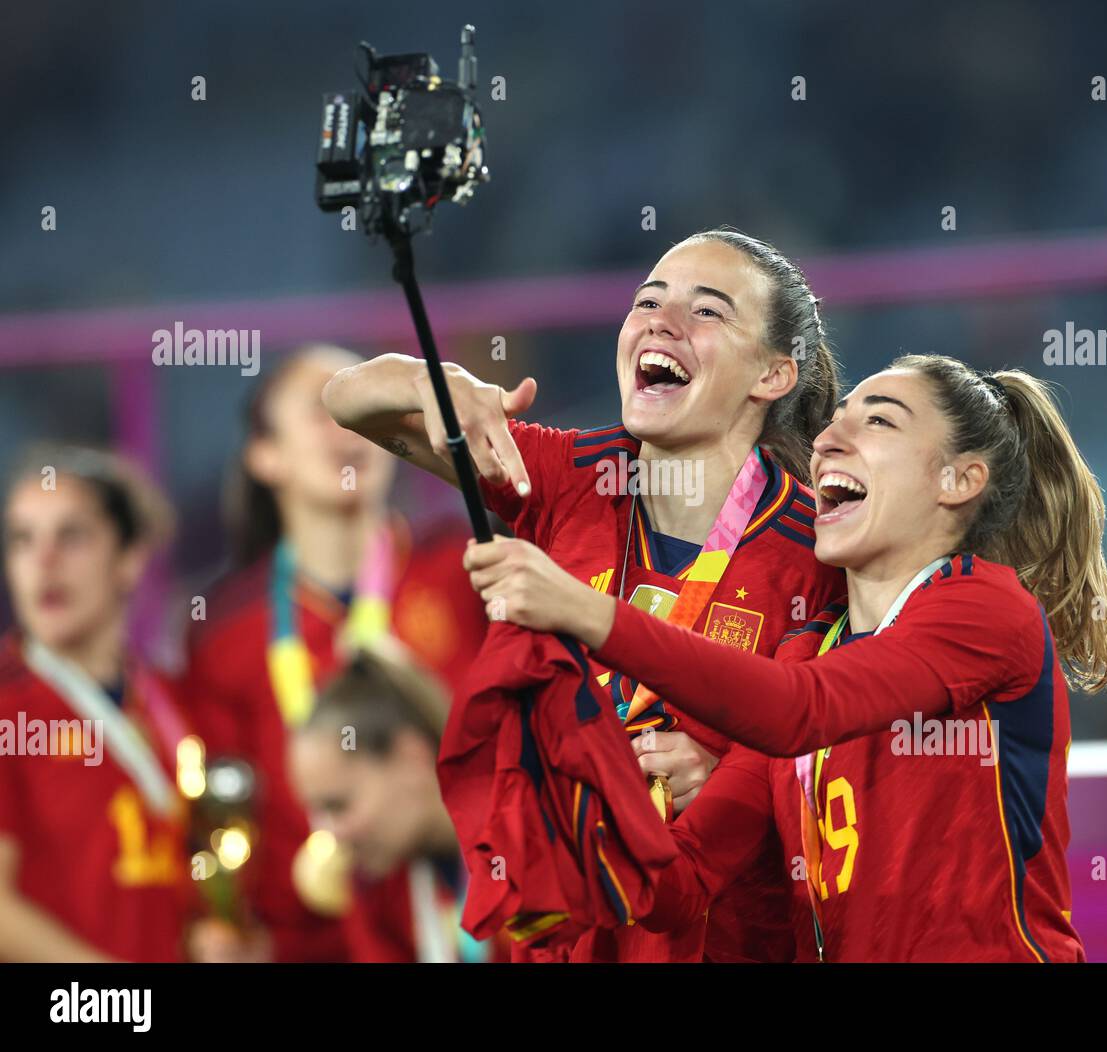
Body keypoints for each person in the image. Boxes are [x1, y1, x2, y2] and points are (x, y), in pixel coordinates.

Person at [464, 354, 1107, 962]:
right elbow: (684, 882)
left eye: (879, 421)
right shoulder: (807, 647)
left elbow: (797, 711)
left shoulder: (985, 608)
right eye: (834, 421)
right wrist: (574, 841)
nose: (827, 441)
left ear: (959, 479)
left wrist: (582, 609)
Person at [323, 228, 845, 962]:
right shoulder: (569, 478)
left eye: (708, 312)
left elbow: (845, 753)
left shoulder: (817, 550)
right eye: (648, 301)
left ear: (773, 376)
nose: (661, 322)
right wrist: (428, 381)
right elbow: (349, 402)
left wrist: (738, 778)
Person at [181, 344, 487, 962]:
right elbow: (220, 820)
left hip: (485, 924)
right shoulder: (224, 636)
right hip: (316, 947)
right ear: (264, 455)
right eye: (323, 412)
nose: (348, 430)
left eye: (365, 413)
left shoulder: (467, 567)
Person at [0, 445, 193, 961]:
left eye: (72, 535)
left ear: (129, 559)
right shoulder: (6, 708)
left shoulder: (172, 701)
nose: (44, 560)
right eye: (22, 540)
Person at [289, 638, 498, 962]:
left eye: (339, 805)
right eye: (318, 811)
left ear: (412, 758)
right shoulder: (376, 889)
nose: (332, 834)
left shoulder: (537, 834)